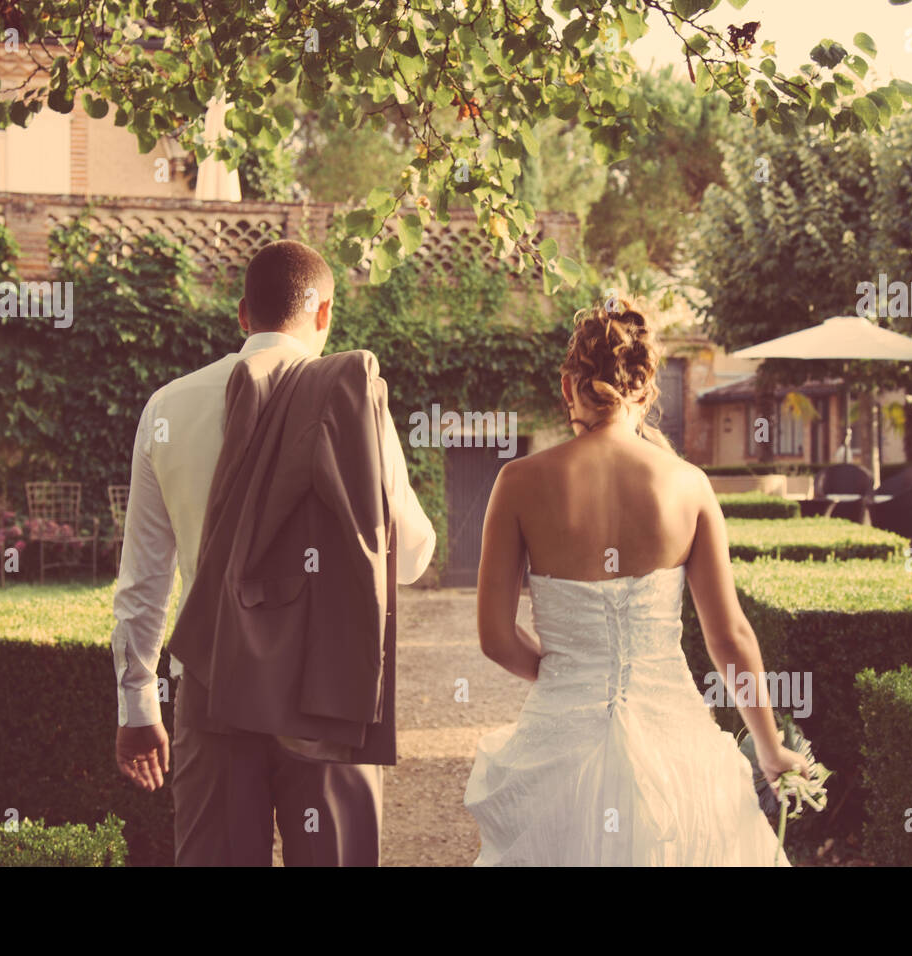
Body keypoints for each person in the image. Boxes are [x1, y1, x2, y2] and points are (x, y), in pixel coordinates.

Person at [110, 239, 435, 865]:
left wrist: (136, 703)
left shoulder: (166, 409)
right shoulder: (350, 397)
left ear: (241, 315)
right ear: (325, 313)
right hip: (325, 687)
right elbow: (413, 554)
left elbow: (143, 580)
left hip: (213, 681)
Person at [464, 298, 807, 865]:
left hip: (561, 736)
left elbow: (495, 638)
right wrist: (770, 750)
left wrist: (565, 675)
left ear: (568, 384)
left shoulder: (519, 482)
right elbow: (732, 638)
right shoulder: (689, 485)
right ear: (647, 392)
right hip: (675, 738)